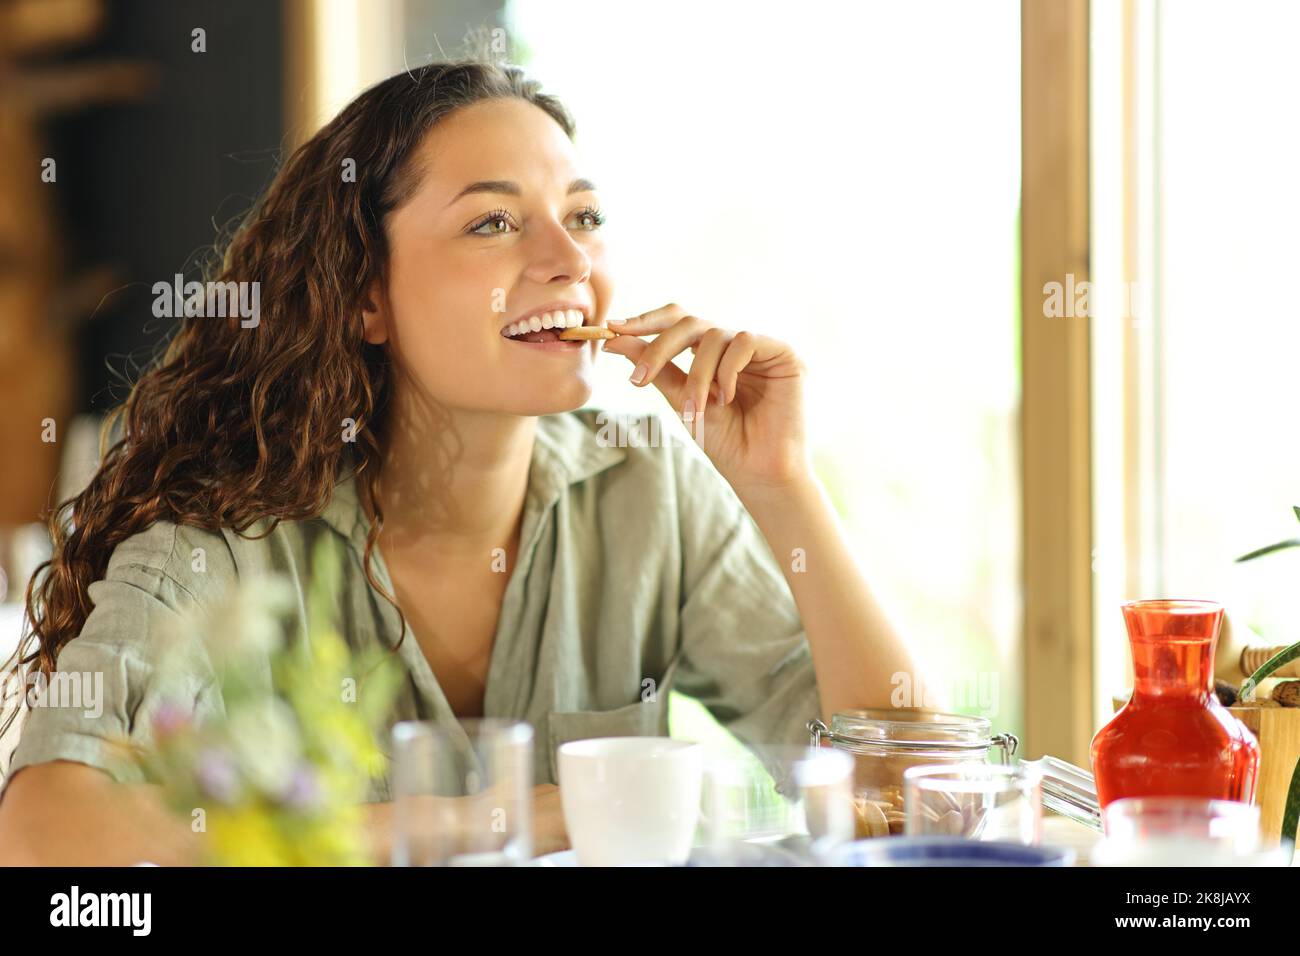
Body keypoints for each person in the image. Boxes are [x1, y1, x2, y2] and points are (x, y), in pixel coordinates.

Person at [0, 55, 930, 866]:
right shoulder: (222, 543)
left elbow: (912, 798)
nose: (569, 258)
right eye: (493, 223)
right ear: (365, 295)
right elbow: (41, 834)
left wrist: (784, 486)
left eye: (585, 215)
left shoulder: (651, 493)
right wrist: (503, 820)